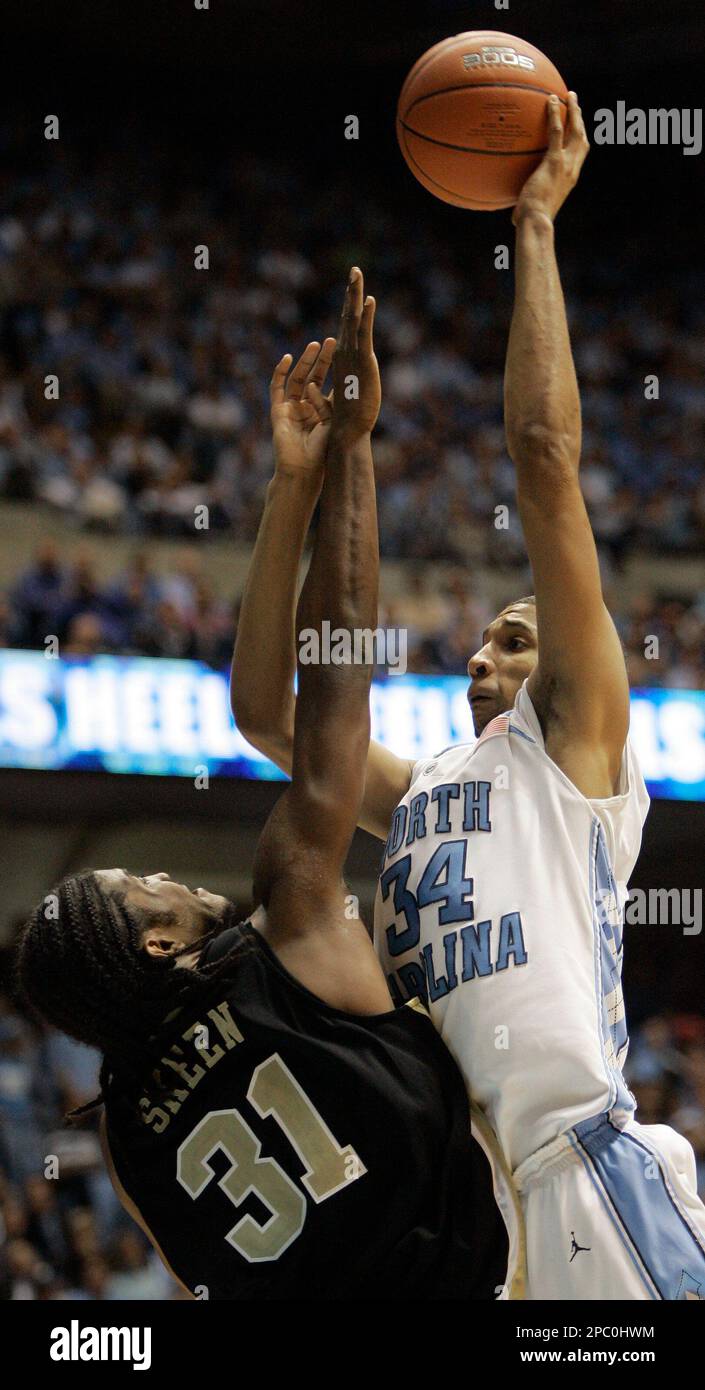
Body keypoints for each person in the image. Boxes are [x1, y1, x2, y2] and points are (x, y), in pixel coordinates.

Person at [233, 99, 705, 1300]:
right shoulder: (433, 786)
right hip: (469, 1219)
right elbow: (265, 715)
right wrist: (304, 479)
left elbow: (545, 462)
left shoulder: (580, 757)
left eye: (516, 636)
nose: (486, 658)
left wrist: (534, 224)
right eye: (481, 644)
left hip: (582, 1172)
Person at [17, 271, 509, 1301]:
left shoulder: (123, 1134)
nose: (173, 877)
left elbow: (268, 716)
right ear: (156, 945)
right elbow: (331, 692)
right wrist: (352, 458)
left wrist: (296, 482)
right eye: (147, 885)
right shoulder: (278, 932)